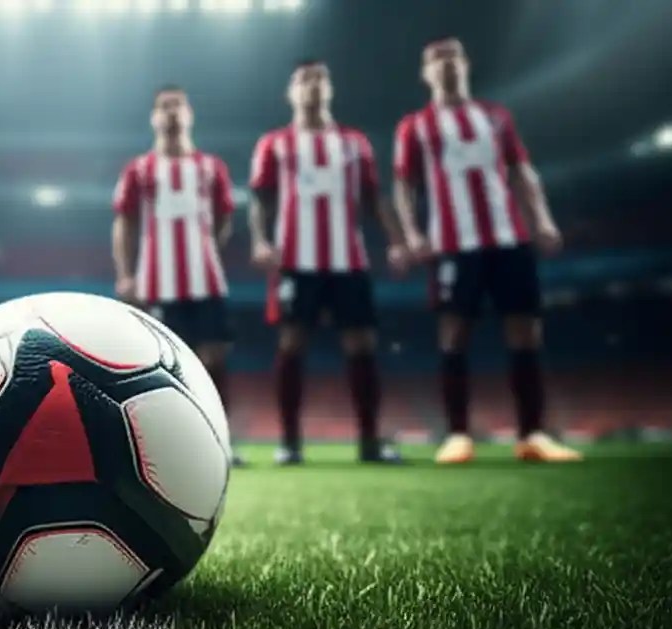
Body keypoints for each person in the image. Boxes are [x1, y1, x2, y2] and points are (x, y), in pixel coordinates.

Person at [392, 37, 582, 463]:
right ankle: (458, 435)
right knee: (454, 333)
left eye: (453, 56)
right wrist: (412, 233)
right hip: (453, 245)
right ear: (425, 73)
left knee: (525, 331)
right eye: (436, 59)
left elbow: (522, 171)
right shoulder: (415, 126)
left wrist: (543, 220)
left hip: (509, 238)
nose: (446, 63)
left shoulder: (495, 117)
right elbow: (404, 185)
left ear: (466, 64)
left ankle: (532, 435)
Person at [249, 61, 408, 465]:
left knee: (362, 344)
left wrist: (396, 241)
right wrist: (261, 240)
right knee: (291, 344)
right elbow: (260, 199)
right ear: (291, 92)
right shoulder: (275, 143)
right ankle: (289, 443)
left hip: (348, 261)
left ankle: (370, 442)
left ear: (330, 88)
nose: (313, 85)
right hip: (295, 262)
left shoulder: (355, 142)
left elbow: (374, 199)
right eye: (304, 80)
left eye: (320, 78)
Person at [112, 84, 246, 466]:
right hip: (157, 284)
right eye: (164, 106)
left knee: (215, 359)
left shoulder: (211, 168)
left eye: (178, 106)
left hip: (206, 280)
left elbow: (224, 217)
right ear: (154, 117)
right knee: (158, 367)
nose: (171, 112)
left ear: (190, 115)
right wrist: (126, 274)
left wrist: (204, 249)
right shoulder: (139, 169)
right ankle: (160, 448)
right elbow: (124, 223)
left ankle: (220, 443)